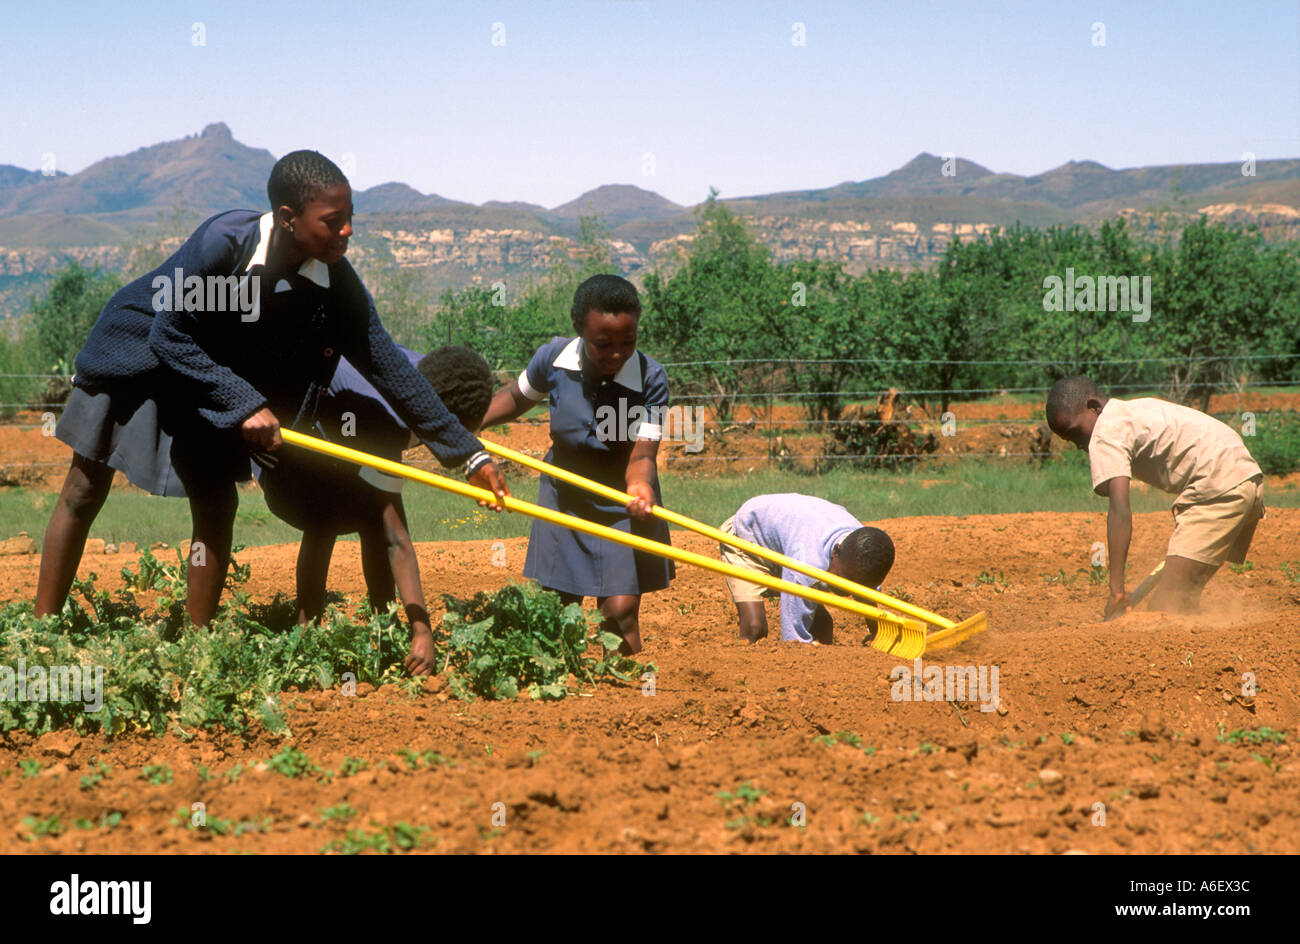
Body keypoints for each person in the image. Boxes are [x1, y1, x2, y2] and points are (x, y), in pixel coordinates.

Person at [34, 150, 508, 625]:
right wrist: (244, 402)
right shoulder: (226, 245)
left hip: (207, 376)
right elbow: (168, 332)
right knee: (83, 488)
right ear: (288, 217)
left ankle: (199, 644)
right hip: (139, 351)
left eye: (350, 219)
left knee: (218, 502)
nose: (347, 231)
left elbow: (388, 365)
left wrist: (469, 455)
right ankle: (42, 629)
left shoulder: (333, 280)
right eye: (333, 220)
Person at [258, 345, 493, 676]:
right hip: (282, 462)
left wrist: (474, 457)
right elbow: (397, 539)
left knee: (370, 507)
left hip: (338, 435)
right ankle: (306, 631)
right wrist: (422, 630)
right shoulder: (388, 418)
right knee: (339, 516)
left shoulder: (421, 370)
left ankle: (382, 625)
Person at [477, 274, 671, 654]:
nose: (616, 353)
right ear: (578, 329)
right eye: (603, 344)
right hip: (562, 496)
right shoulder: (553, 359)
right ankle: (556, 696)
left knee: (620, 612)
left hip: (621, 500)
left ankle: (626, 694)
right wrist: (469, 423)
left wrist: (640, 486)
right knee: (555, 610)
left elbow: (644, 452)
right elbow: (516, 399)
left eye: (627, 343)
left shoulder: (651, 379)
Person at [1045, 376, 1264, 616]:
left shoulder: (1106, 431)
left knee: (1165, 609)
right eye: (1070, 440)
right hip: (1245, 476)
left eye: (1076, 432)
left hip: (1219, 487)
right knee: (1183, 597)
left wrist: (1116, 589)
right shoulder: (1135, 410)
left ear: (1094, 407)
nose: (1079, 445)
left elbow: (1119, 509)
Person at [718, 493, 895, 644]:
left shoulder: (868, 550)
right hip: (748, 539)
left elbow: (867, 596)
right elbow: (792, 639)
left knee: (822, 627)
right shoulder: (805, 564)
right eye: (843, 580)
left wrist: (878, 633)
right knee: (754, 628)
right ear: (835, 552)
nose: (846, 590)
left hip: (786, 544)